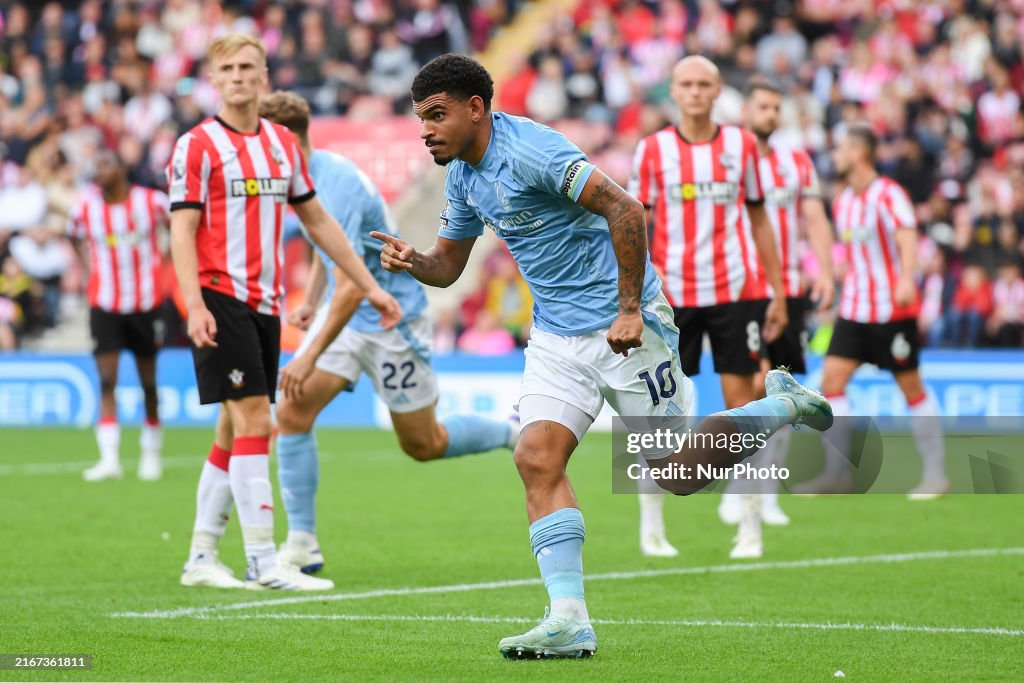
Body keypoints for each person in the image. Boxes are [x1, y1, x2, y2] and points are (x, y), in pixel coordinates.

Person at [373, 53, 831, 660]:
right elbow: (450, 264)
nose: (425, 129)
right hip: (558, 338)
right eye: (419, 118)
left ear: (476, 108)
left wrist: (629, 309)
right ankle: (568, 620)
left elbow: (625, 208)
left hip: (627, 329)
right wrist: (415, 261)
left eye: (436, 115)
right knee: (536, 457)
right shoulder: (461, 175)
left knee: (678, 474)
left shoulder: (533, 151)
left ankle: (781, 405)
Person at [168, 34, 401, 591]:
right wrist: (193, 303)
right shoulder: (197, 145)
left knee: (231, 427)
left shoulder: (279, 144)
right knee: (256, 421)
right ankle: (264, 563)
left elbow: (320, 222)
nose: (239, 76)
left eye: (249, 66)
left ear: (265, 74)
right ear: (214, 78)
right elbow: (182, 228)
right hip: (220, 296)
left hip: (266, 304)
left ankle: (201, 556)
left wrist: (370, 286)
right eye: (228, 68)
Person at [257, 91, 517, 574]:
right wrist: (311, 298)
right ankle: (302, 542)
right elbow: (331, 243)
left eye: (261, 138)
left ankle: (510, 432)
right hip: (348, 316)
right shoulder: (311, 173)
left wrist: (308, 353)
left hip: (391, 319)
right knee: (292, 412)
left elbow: (357, 285)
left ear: (288, 138)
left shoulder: (335, 186)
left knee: (424, 445)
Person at [628, 57, 789, 558]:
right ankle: (651, 526)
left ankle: (749, 526)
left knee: (743, 404)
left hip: (737, 293)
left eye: (704, 84)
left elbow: (760, 220)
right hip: (671, 298)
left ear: (719, 90)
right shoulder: (652, 151)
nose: (696, 92)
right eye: (687, 84)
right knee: (657, 410)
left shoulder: (742, 146)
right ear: (673, 91)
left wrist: (778, 290)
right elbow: (636, 227)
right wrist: (631, 297)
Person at [716, 77, 836, 554]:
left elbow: (814, 218)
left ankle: (763, 493)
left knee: (783, 394)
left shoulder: (797, 162)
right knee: (750, 388)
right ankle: (740, 489)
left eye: (775, 107)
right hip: (743, 289)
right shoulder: (727, 158)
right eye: (762, 106)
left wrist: (825, 268)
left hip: (788, 287)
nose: (770, 114)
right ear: (746, 109)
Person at [799, 125, 947, 500]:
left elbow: (907, 234)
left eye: (842, 149)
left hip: (891, 309)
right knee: (832, 382)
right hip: (855, 309)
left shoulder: (888, 194)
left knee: (910, 387)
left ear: (860, 153)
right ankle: (838, 475)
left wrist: (906, 278)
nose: (835, 155)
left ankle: (936, 474)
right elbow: (853, 253)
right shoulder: (845, 199)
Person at [69, 151, 168, 483]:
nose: (99, 171)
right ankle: (109, 458)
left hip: (145, 303)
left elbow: (183, 228)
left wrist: (166, 265)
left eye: (105, 164)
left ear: (122, 168)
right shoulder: (86, 207)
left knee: (148, 383)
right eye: (96, 165)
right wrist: (88, 268)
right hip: (105, 304)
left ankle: (151, 453)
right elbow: (73, 235)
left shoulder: (151, 202)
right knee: (107, 380)